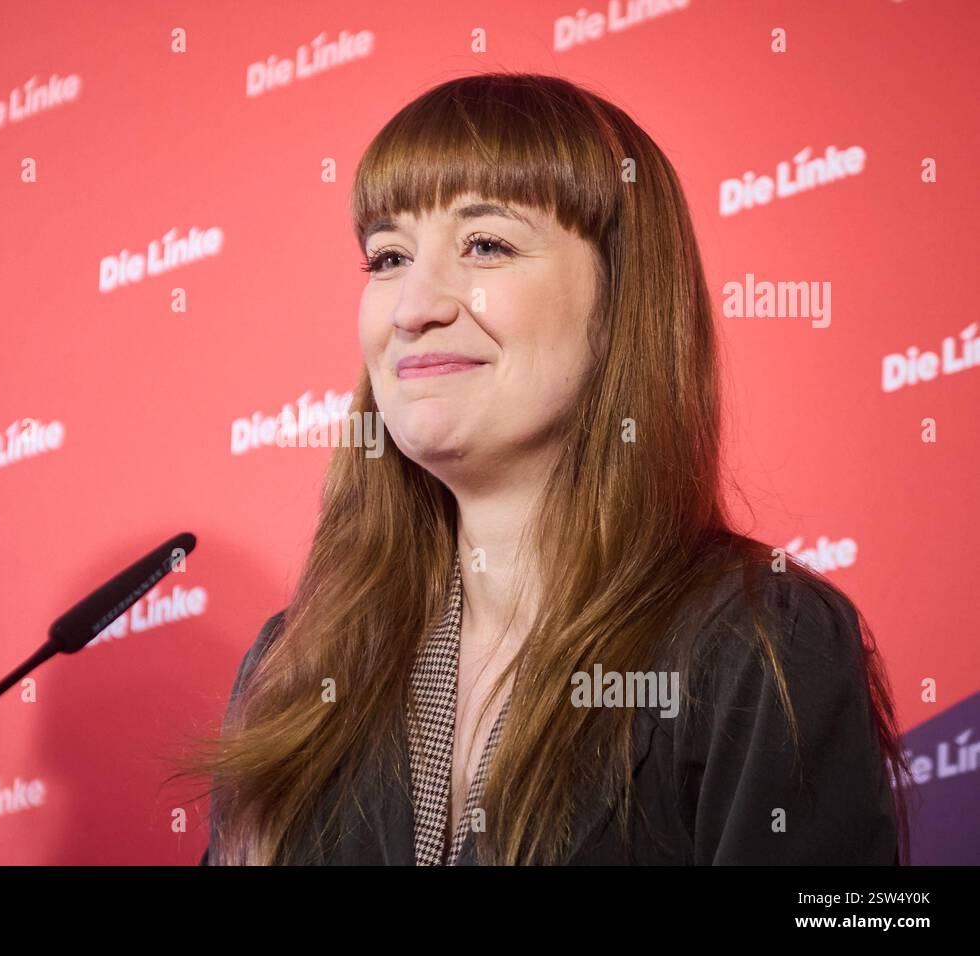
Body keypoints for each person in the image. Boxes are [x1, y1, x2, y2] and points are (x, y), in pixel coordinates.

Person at [176, 71, 911, 865]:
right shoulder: (295, 664)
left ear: (623, 300)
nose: (412, 305)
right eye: (387, 256)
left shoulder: (759, 648)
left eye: (485, 245)